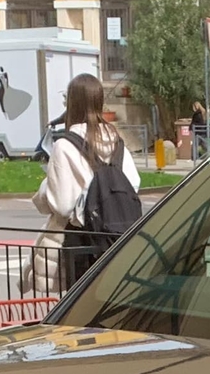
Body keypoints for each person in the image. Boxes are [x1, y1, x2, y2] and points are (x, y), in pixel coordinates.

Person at [32, 75, 140, 293]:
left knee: (80, 304)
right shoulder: (117, 143)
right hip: (116, 239)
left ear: (72, 104)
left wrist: (45, 190)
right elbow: (133, 184)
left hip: (82, 243)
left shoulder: (64, 145)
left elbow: (63, 205)